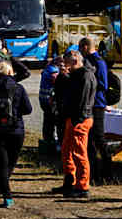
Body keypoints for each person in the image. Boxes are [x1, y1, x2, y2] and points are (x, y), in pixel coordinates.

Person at [0, 58, 31, 207]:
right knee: (10, 165)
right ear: (10, 71)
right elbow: (28, 109)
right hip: (16, 129)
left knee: (2, 164)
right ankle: (5, 195)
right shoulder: (18, 88)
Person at [55, 50, 96, 200]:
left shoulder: (85, 76)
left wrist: (77, 119)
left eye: (67, 63)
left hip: (80, 119)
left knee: (79, 153)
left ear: (75, 61)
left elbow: (83, 100)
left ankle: (83, 186)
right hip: (73, 118)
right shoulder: (76, 75)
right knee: (67, 151)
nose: (65, 66)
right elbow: (67, 90)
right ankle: (70, 180)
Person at [77, 37, 115, 184]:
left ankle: (108, 172)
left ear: (86, 47)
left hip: (97, 104)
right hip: (88, 103)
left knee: (99, 139)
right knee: (90, 141)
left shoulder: (98, 62)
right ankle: (94, 173)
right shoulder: (89, 60)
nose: (81, 51)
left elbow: (103, 84)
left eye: (81, 48)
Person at [36, 44, 61, 161]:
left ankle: (48, 140)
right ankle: (52, 143)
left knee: (47, 121)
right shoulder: (53, 71)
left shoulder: (47, 68)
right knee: (52, 121)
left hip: (43, 99)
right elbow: (57, 81)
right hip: (49, 101)